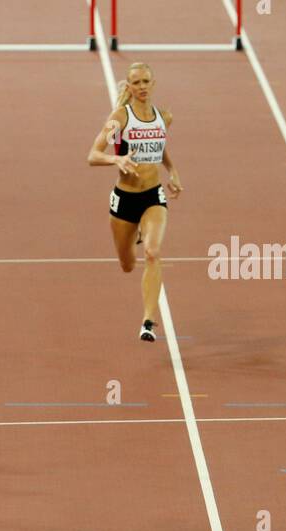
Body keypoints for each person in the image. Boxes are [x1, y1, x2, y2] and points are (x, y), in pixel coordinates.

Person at [87, 62, 182, 342]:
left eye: (146, 82)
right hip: (125, 198)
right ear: (129, 87)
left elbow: (159, 144)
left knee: (153, 253)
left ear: (153, 84)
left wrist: (173, 170)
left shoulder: (164, 117)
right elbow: (92, 154)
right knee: (127, 264)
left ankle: (148, 322)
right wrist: (116, 158)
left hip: (153, 195)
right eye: (136, 83)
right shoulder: (120, 118)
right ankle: (135, 234)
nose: (142, 87)